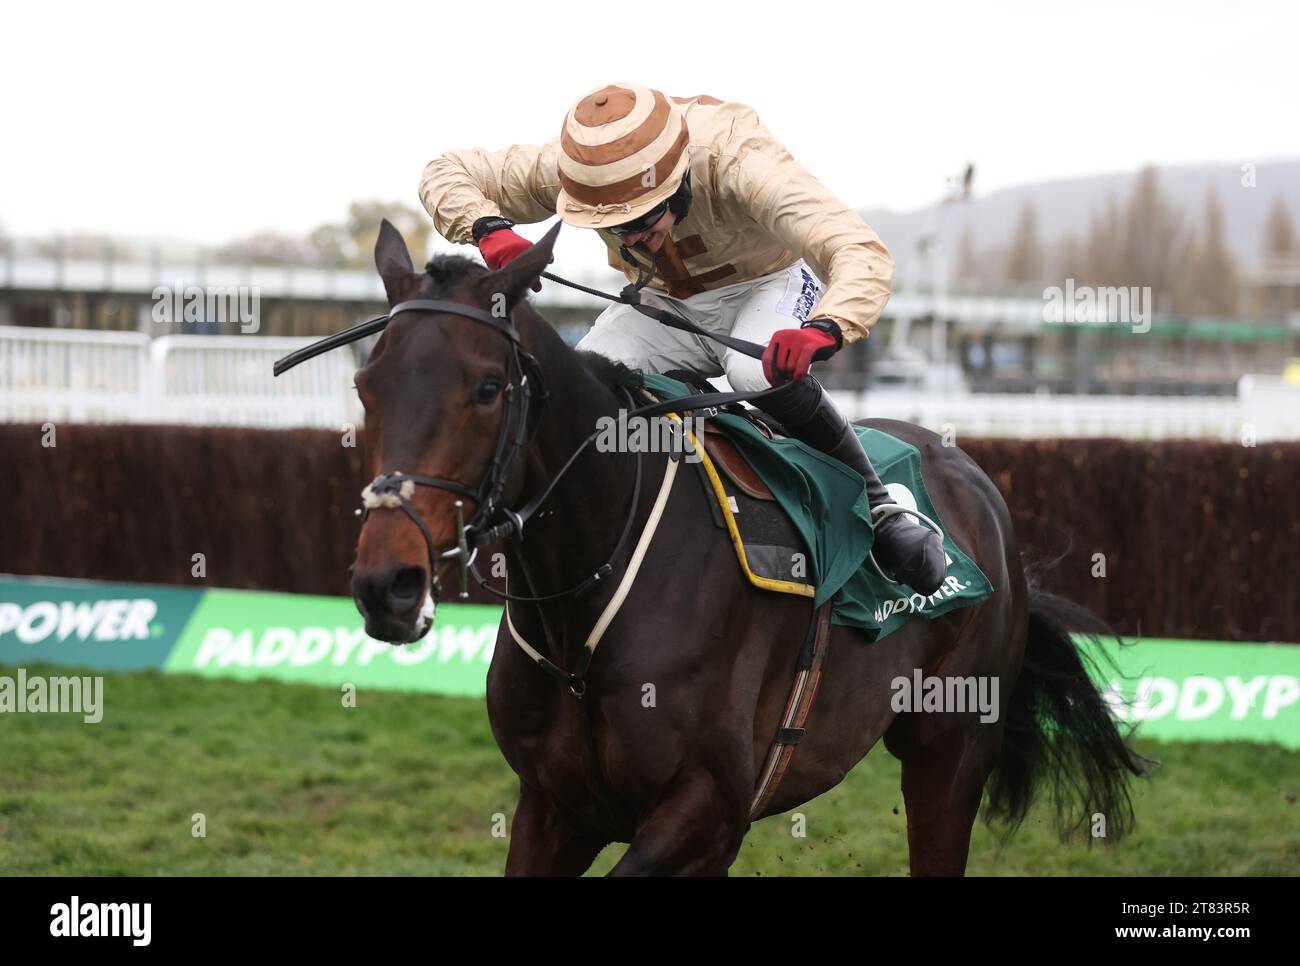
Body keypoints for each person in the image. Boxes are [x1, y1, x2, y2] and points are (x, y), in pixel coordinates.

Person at [418, 82, 945, 593]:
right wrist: (487, 226)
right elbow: (444, 171)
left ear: (680, 181)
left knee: (752, 371)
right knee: (584, 391)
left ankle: (880, 506)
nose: (634, 239)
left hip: (768, 285)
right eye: (616, 227)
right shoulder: (577, 166)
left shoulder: (738, 158)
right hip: (665, 302)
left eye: (644, 219)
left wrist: (826, 327)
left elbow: (857, 249)